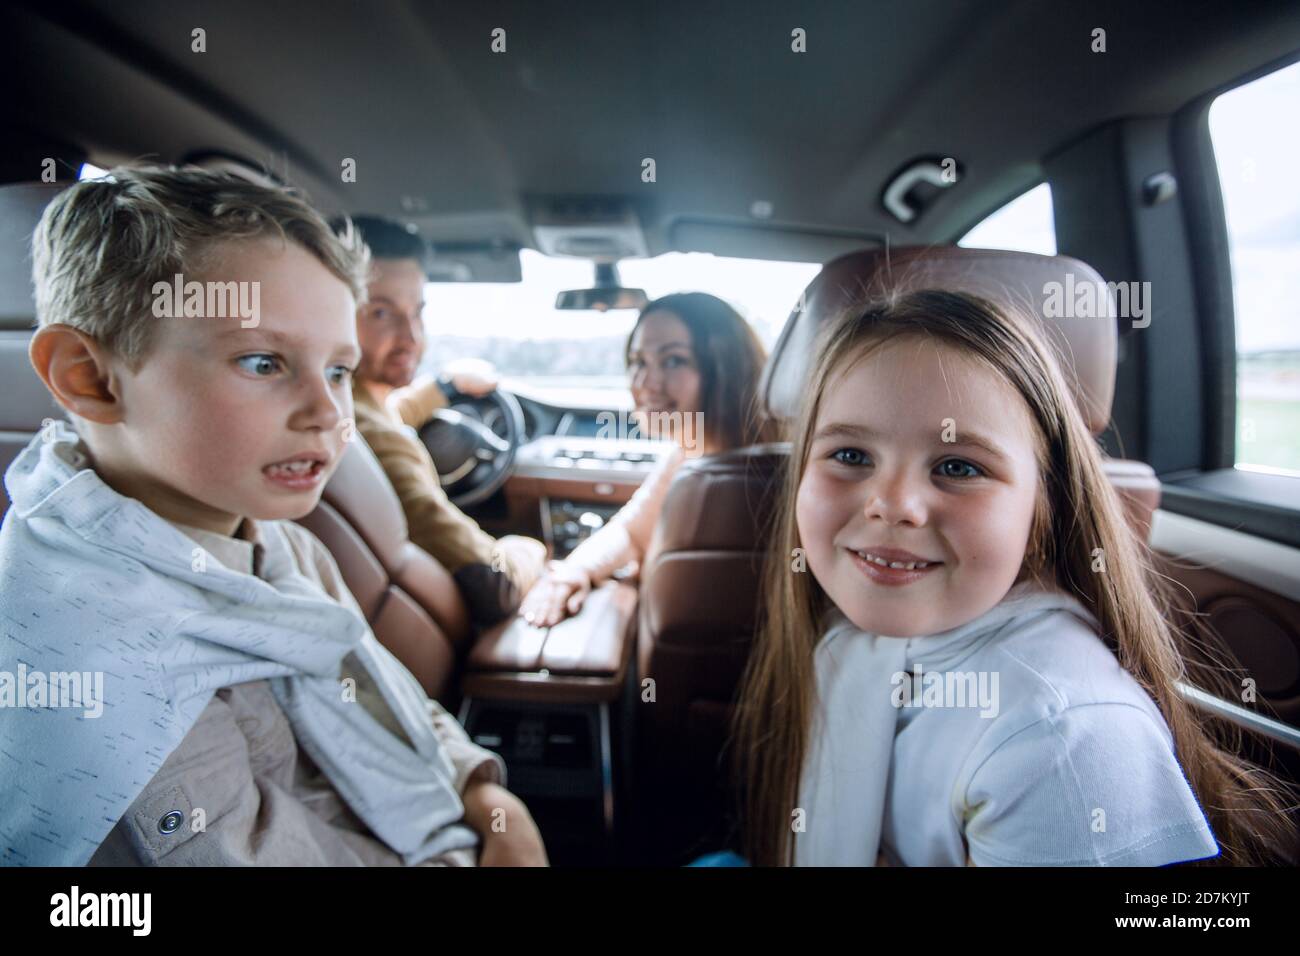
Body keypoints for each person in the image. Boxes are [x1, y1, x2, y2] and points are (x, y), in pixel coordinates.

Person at [0, 166, 546, 866]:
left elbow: (384, 694)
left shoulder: (282, 544)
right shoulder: (106, 683)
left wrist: (484, 793)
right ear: (91, 377)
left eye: (340, 372)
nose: (330, 416)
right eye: (263, 361)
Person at [732, 288, 1298, 866]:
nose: (893, 504)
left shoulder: (1061, 739)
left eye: (958, 467)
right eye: (850, 455)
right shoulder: (857, 643)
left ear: (1042, 505)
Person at [519, 292, 778, 627]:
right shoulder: (688, 451)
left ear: (725, 367)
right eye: (639, 362)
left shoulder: (748, 472)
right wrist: (575, 570)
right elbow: (631, 530)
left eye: (673, 361)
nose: (645, 383)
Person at [337, 215, 546, 628]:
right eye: (381, 313)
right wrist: (532, 550)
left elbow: (387, 413)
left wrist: (446, 386)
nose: (412, 338)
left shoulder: (349, 409)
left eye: (417, 312)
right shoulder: (375, 437)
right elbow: (494, 582)